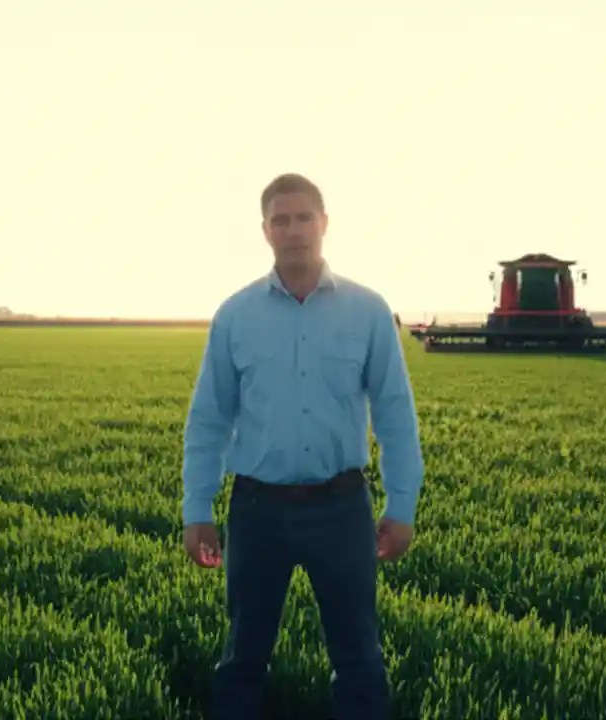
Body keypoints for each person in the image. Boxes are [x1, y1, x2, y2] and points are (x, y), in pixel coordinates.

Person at [181, 172, 425, 720]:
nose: (294, 230)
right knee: (243, 658)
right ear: (265, 231)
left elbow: (395, 416)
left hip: (341, 509)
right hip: (257, 510)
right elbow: (209, 422)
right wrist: (197, 509)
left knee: (359, 658)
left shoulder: (366, 311)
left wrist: (401, 506)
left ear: (325, 224)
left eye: (304, 217)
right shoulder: (235, 316)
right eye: (281, 220)